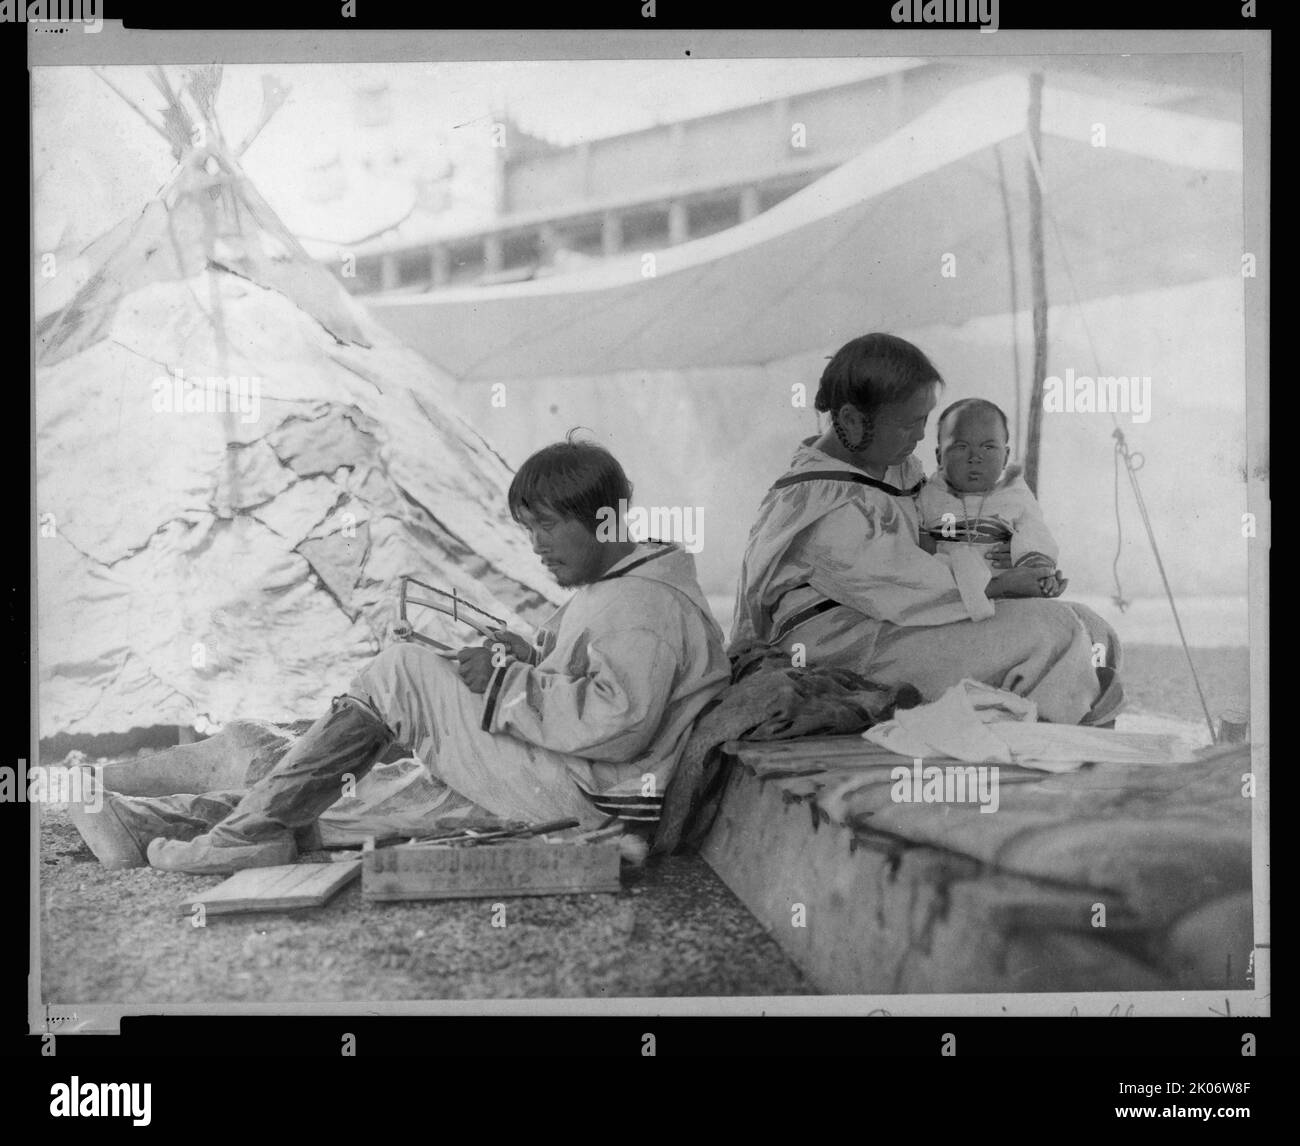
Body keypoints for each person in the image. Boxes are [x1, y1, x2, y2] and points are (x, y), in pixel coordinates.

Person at [71, 438, 731, 874]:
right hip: (568, 773)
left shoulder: (646, 606)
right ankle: (143, 822)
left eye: (549, 525)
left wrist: (507, 686)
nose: (536, 544)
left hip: (590, 793)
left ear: (607, 521)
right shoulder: (626, 587)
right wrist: (524, 655)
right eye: (529, 529)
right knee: (368, 788)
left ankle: (244, 837)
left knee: (400, 673)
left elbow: (618, 721)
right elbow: (590, 676)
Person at [729, 333, 1122, 725]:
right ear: (851, 419)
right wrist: (996, 584)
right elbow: (897, 579)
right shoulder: (817, 501)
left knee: (1090, 626)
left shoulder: (892, 467)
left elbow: (934, 524)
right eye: (908, 423)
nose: (919, 436)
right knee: (1049, 631)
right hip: (845, 645)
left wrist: (987, 541)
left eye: (924, 420)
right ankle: (1051, 743)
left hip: (907, 619)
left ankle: (1050, 726)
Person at [915, 397, 1065, 596]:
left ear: (1005, 455)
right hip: (951, 597)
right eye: (961, 446)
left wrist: (1041, 573)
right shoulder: (929, 496)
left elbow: (1037, 537)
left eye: (988, 447)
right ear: (939, 456)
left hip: (1012, 598)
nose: (975, 457)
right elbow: (920, 558)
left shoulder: (1015, 495)